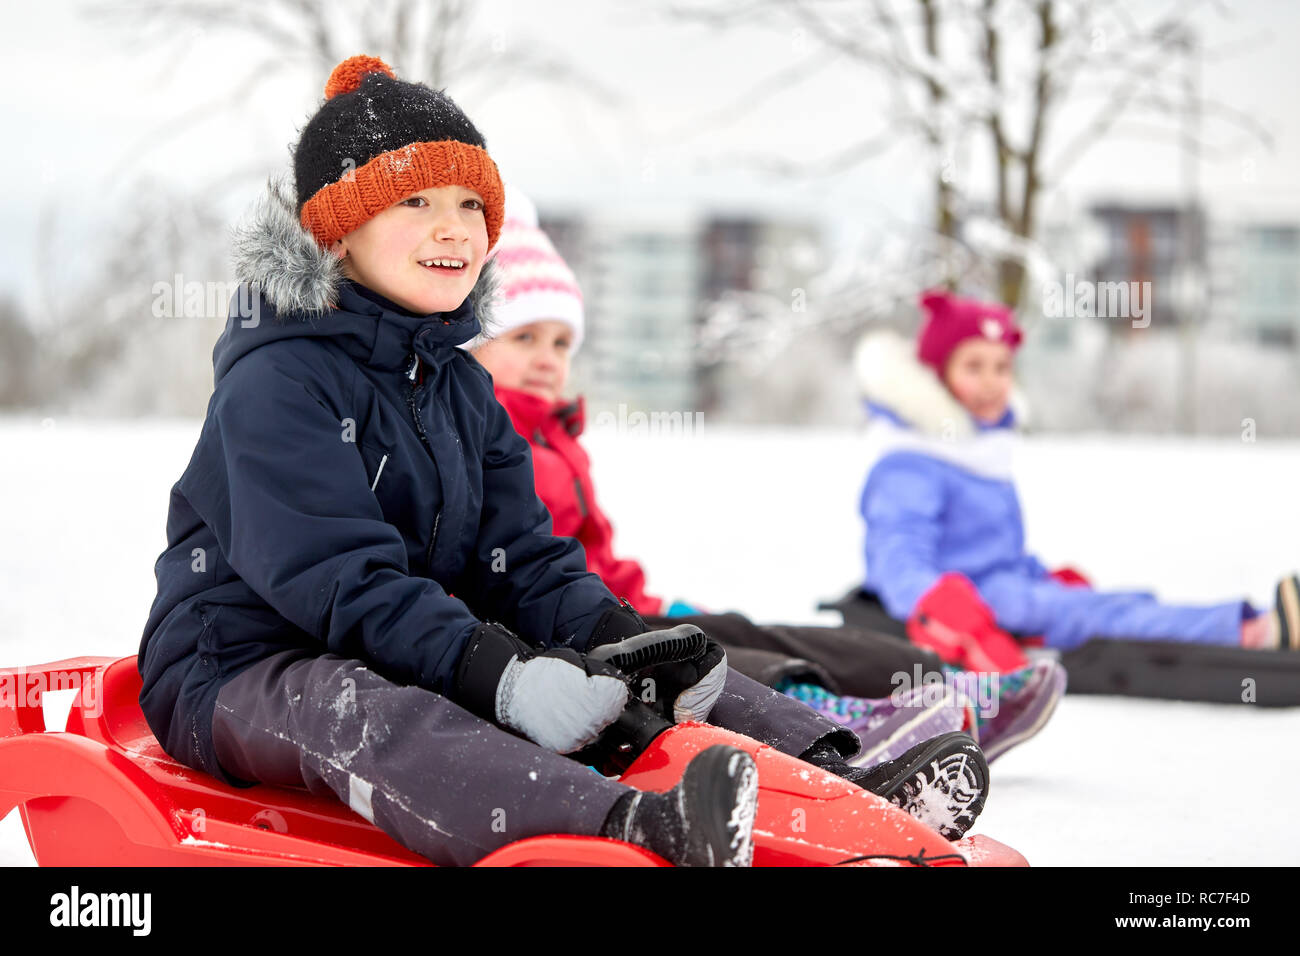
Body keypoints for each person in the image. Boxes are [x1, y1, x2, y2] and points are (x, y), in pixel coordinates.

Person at [137, 55, 987, 868]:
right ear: (338, 229)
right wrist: (498, 676)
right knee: (369, 712)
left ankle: (843, 783)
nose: (452, 227)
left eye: (473, 204)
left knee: (639, 665)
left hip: (401, 641)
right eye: (416, 201)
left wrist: (625, 641)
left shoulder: (461, 388)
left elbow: (527, 565)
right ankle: (631, 828)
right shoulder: (277, 382)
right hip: (242, 664)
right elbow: (343, 582)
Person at [469, 186, 1061, 766]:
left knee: (740, 627)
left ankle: (953, 687)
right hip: (552, 633)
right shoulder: (479, 433)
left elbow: (589, 553)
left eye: (561, 341)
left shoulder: (555, 436)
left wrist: (649, 599)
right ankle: (834, 720)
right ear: (475, 344)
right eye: (525, 337)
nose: (549, 357)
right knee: (705, 655)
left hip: (605, 605)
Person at [852, 288, 1300, 670]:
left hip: (1006, 591)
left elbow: (986, 549)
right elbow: (899, 564)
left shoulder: (980, 453)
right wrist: (946, 613)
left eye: (1001, 367)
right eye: (974, 367)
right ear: (938, 375)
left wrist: (1037, 574)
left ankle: (1250, 622)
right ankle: (1249, 631)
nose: (992, 383)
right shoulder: (910, 463)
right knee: (1105, 615)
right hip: (978, 606)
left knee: (1114, 605)